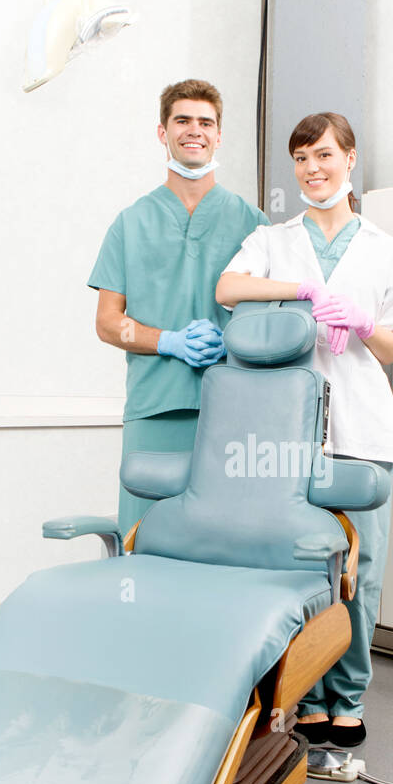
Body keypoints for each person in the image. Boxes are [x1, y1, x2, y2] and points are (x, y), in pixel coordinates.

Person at [216, 112, 393, 746]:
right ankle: (301, 698)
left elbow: (389, 350)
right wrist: (304, 290)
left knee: (361, 572)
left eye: (324, 154)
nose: (312, 168)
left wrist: (360, 320)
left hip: (360, 433)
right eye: (302, 157)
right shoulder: (275, 239)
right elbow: (227, 288)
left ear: (350, 159)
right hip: (289, 435)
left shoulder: (386, 250)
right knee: (300, 571)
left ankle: (348, 699)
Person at [89, 79, 269, 534]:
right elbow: (109, 323)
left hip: (230, 408)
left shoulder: (253, 222)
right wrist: (168, 342)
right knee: (144, 536)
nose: (195, 131)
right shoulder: (130, 223)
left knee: (224, 539)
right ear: (162, 131)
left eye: (205, 122)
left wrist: (230, 343)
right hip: (155, 408)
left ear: (219, 135)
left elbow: (272, 319)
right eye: (182, 120)